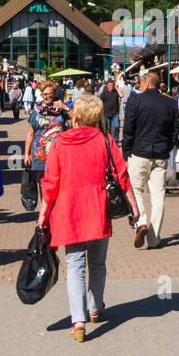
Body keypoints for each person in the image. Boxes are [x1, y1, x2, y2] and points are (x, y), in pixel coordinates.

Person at [38, 95, 139, 342]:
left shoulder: (60, 142)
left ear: (77, 116)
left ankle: (78, 320)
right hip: (97, 208)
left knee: (75, 266)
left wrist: (42, 213)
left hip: (68, 210)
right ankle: (94, 308)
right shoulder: (105, 140)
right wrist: (135, 207)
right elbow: (122, 174)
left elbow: (50, 181)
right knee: (97, 263)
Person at [121, 70, 178, 249]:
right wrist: (167, 148)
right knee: (158, 195)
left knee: (135, 190)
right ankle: (154, 238)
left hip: (139, 152)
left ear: (145, 84)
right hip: (160, 154)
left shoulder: (135, 100)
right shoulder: (170, 102)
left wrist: (126, 151)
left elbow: (129, 129)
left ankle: (141, 222)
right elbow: (175, 131)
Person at [23, 80, 71, 196]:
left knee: (58, 187)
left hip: (59, 155)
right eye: (44, 94)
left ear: (54, 94)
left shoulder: (61, 111)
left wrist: (66, 108)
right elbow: (30, 134)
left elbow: (76, 122)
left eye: (48, 94)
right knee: (43, 187)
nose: (46, 97)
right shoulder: (36, 112)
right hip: (39, 156)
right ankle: (45, 213)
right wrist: (26, 154)